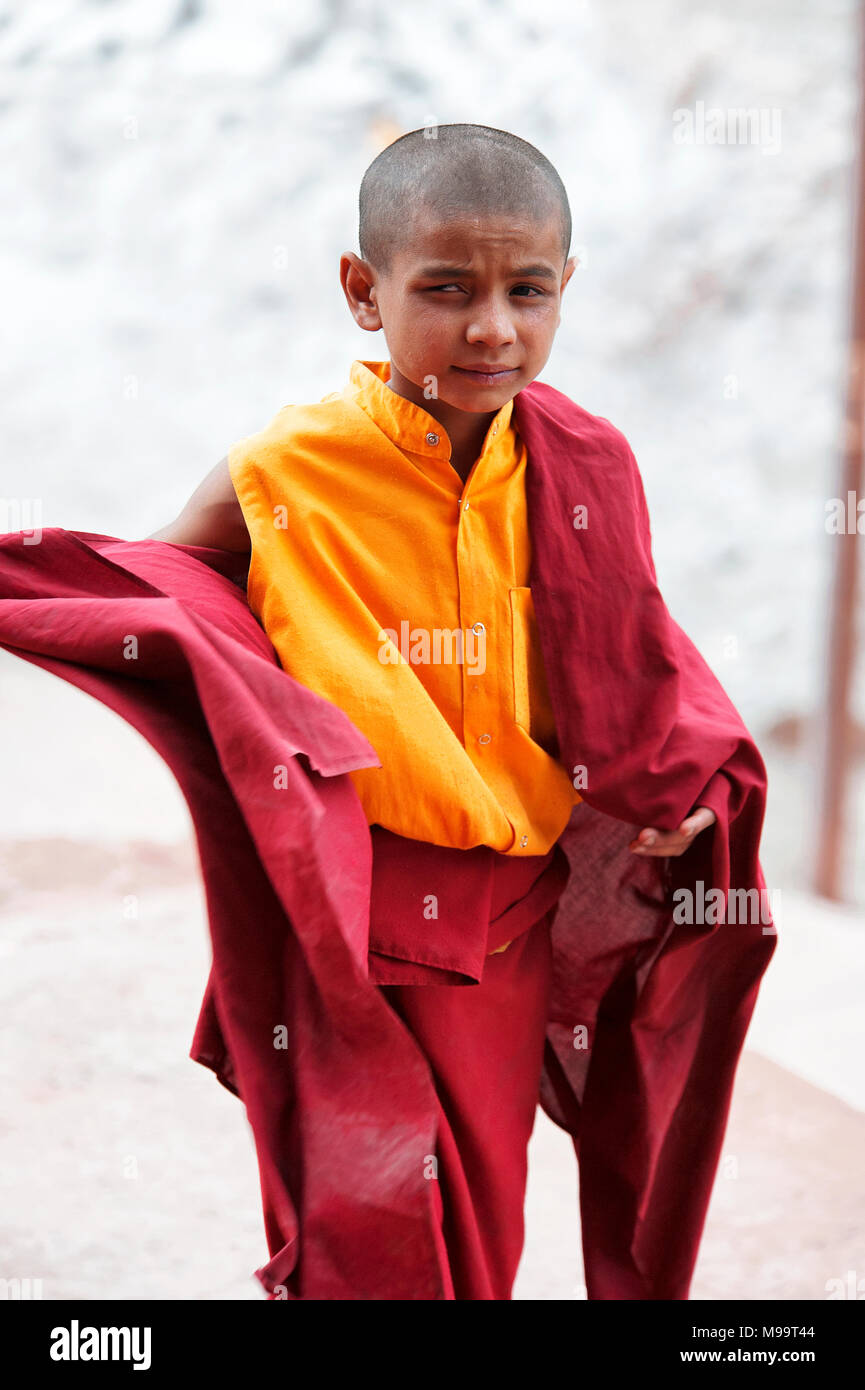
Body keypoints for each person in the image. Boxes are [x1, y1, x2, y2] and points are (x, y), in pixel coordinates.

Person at [144, 123, 726, 1300]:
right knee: (357, 1220)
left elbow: (637, 650)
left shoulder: (584, 466)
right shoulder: (290, 468)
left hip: (504, 919)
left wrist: (676, 781)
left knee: (479, 1221)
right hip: (346, 911)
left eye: (527, 291)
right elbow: (145, 593)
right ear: (364, 292)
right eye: (446, 289)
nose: (491, 329)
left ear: (567, 290)